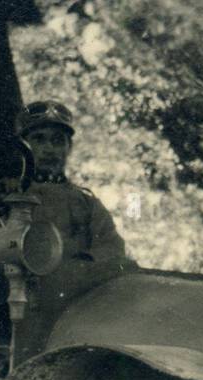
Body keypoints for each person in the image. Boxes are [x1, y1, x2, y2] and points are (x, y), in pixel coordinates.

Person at [13, 100, 133, 359]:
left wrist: (82, 266)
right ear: (23, 145)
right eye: (39, 140)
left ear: (69, 148)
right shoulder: (8, 195)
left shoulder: (85, 202)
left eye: (58, 141)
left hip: (79, 294)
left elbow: (112, 248)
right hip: (26, 297)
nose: (49, 149)